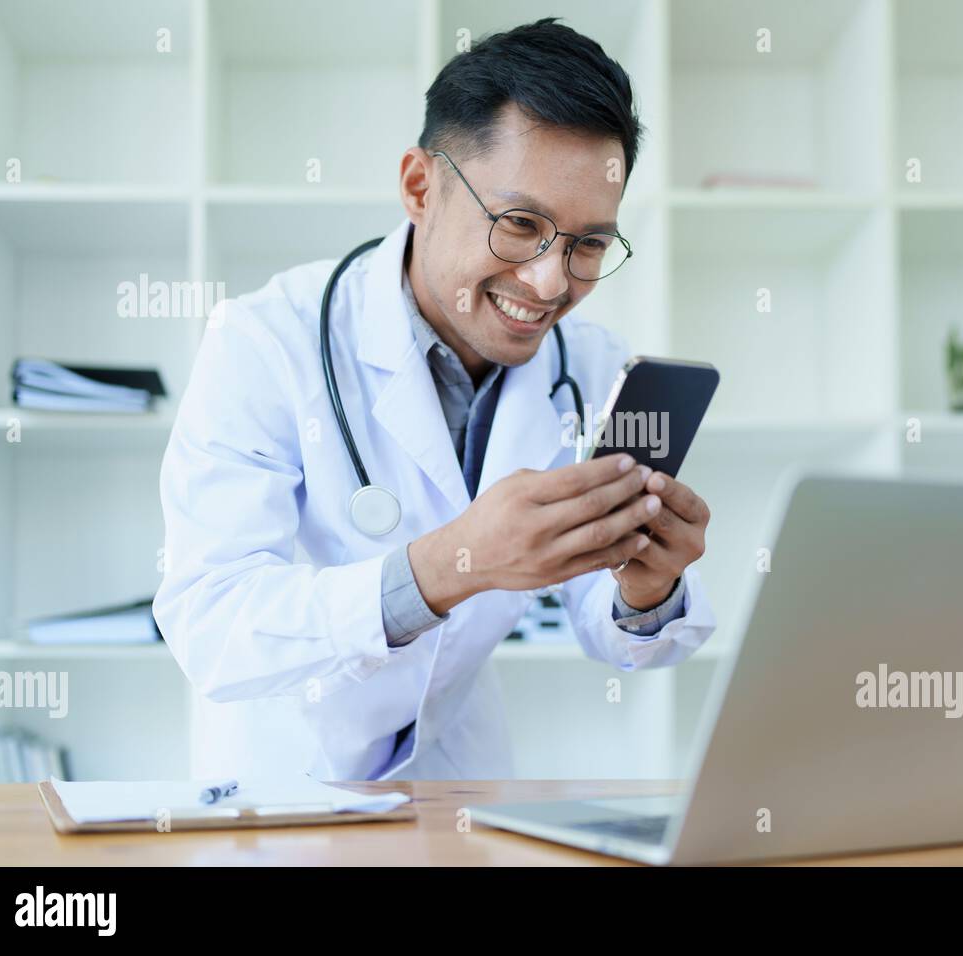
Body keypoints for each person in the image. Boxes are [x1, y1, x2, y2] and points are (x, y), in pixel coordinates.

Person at [153, 19, 716, 780]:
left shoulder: (591, 368)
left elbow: (612, 627)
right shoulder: (265, 340)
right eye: (520, 225)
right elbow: (210, 622)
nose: (551, 284)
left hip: (458, 774)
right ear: (421, 187)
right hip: (284, 781)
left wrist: (647, 588)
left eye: (587, 245)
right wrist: (451, 566)